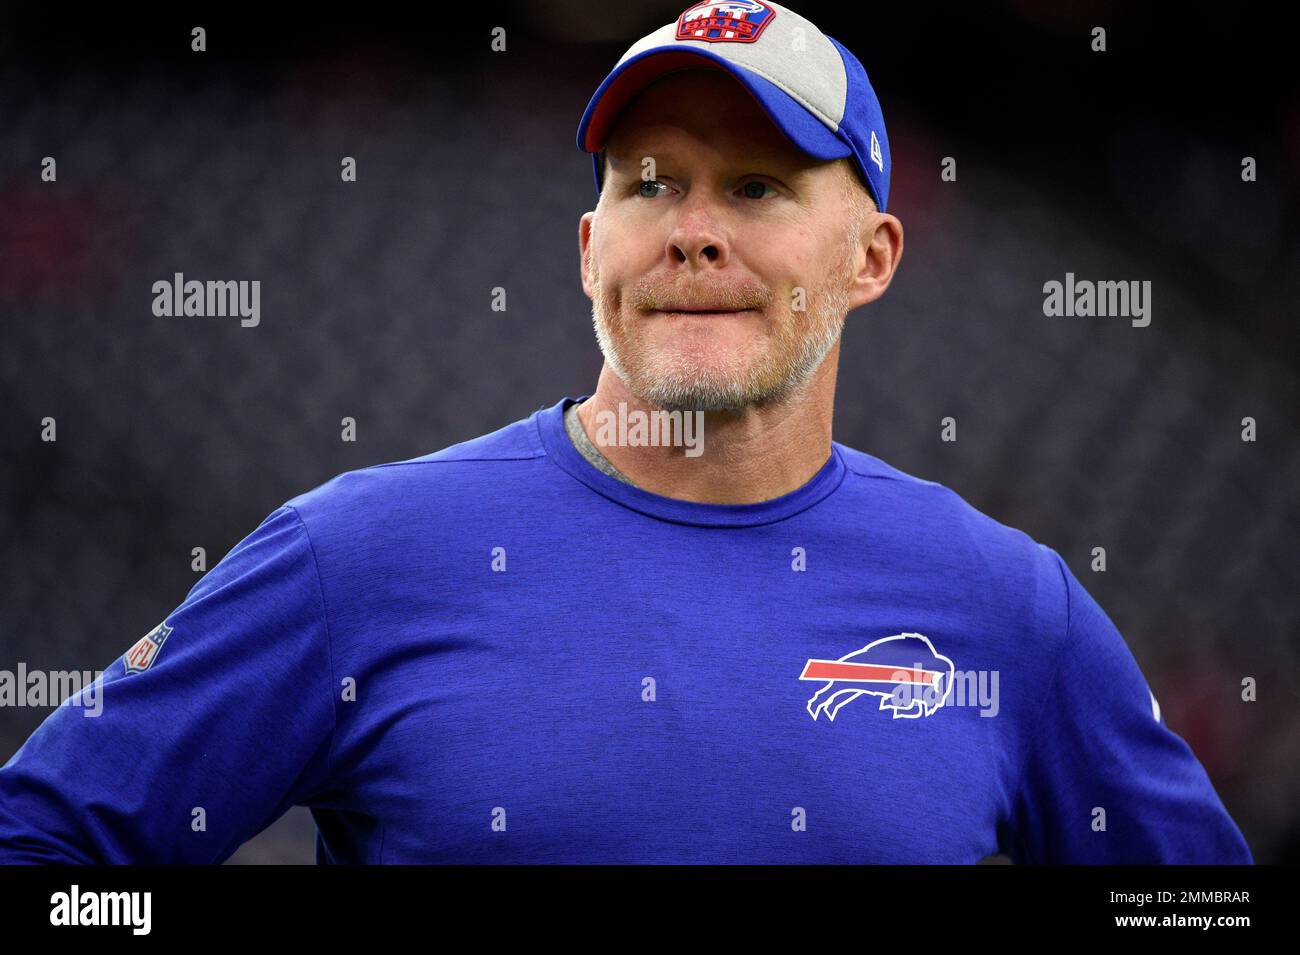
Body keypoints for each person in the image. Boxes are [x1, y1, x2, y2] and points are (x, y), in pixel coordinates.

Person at [0, 0, 1251, 864]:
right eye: (648, 182)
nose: (691, 230)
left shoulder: (1005, 607)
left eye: (756, 185)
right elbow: (50, 853)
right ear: (591, 245)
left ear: (871, 256)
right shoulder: (358, 557)